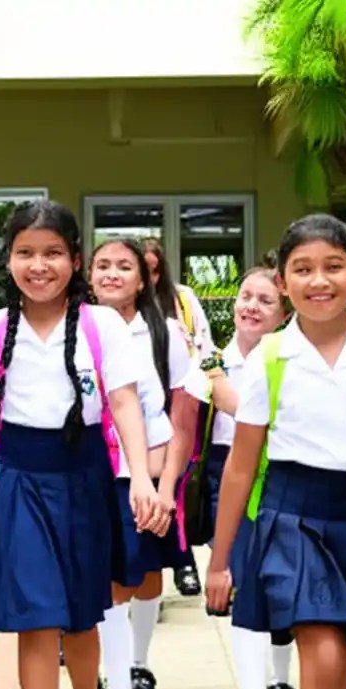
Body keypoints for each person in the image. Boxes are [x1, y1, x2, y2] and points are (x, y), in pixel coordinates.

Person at [0, 201, 169, 689]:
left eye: (53, 252)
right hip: (18, 479)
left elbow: (124, 403)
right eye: (25, 252)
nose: (39, 265)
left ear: (76, 261)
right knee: (35, 616)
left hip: (85, 478)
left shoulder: (103, 326)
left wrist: (141, 476)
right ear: (8, 260)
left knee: (79, 614)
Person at [206, 214, 346, 689]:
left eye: (333, 267)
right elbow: (240, 467)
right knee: (321, 660)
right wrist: (220, 559)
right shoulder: (271, 358)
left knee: (343, 669)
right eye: (303, 269)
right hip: (293, 519)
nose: (319, 281)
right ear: (283, 283)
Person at [177, 262, 298, 689]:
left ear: (284, 313)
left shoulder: (291, 359)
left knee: (282, 587)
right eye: (246, 296)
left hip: (281, 476)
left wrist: (222, 386)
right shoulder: (210, 361)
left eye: (266, 301)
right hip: (229, 478)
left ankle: (281, 681)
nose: (251, 306)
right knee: (247, 589)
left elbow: (246, 409)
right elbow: (191, 426)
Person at [91, 239, 193, 689]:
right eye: (103, 265)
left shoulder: (166, 332)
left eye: (124, 266)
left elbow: (183, 411)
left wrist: (168, 485)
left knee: (148, 572)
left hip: (149, 473)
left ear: (145, 277)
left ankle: (137, 664)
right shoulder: (81, 326)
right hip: (97, 472)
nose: (113, 274)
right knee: (113, 578)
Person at [142, 238, 209, 597]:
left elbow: (206, 348)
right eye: (144, 269)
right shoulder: (112, 308)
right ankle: (152, 564)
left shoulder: (182, 300)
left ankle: (184, 561)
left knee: (176, 484)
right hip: (134, 409)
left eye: (155, 269)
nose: (150, 277)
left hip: (179, 403)